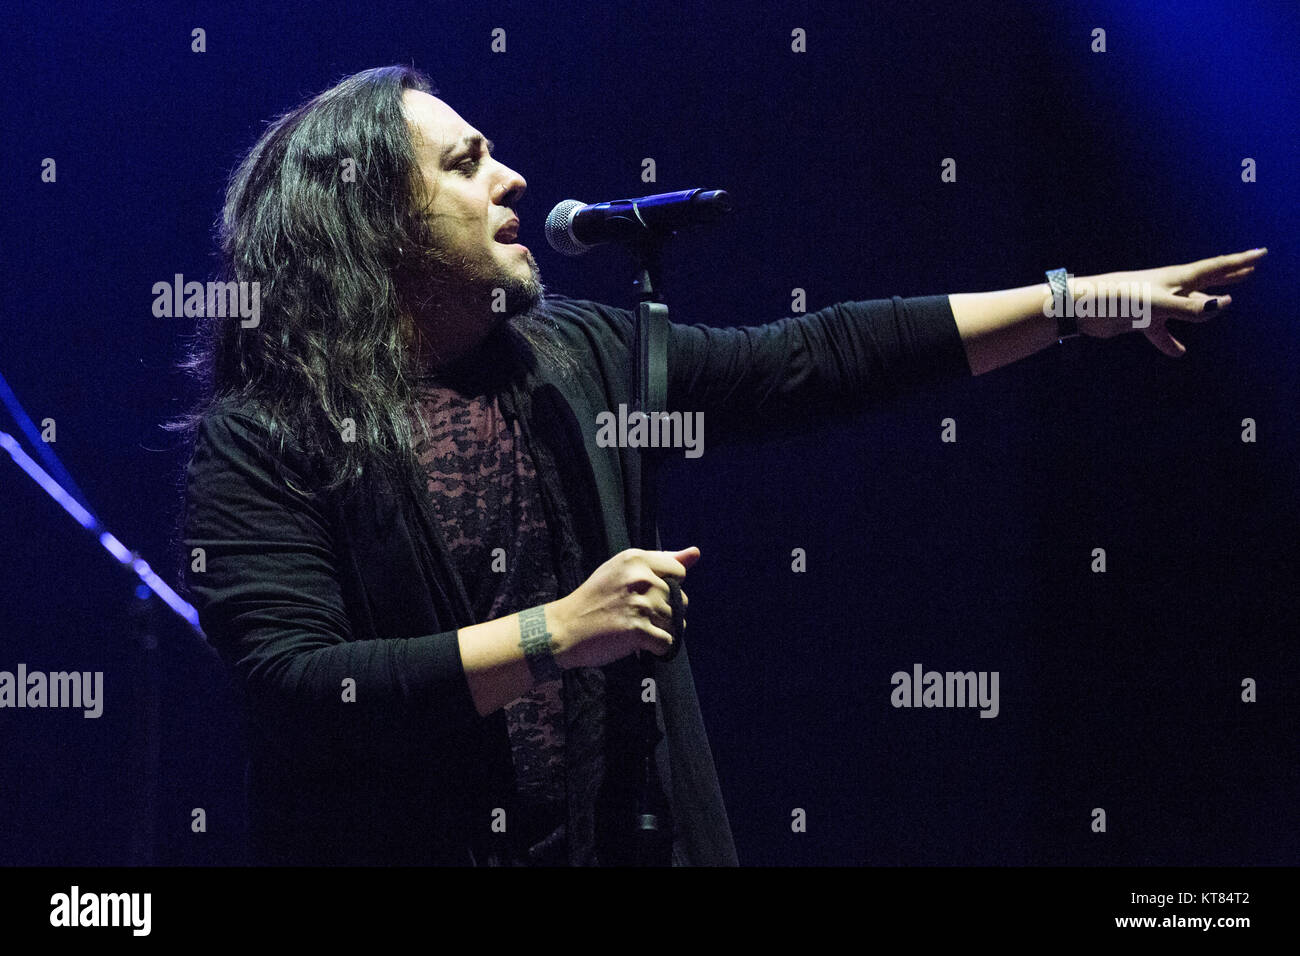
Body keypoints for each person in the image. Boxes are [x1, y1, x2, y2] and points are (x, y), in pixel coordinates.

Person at [173, 64, 1266, 866]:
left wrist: (1071, 303)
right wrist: (558, 630)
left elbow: (818, 355)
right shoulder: (269, 436)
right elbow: (298, 686)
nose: (510, 179)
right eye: (465, 164)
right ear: (372, 223)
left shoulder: (582, 357)